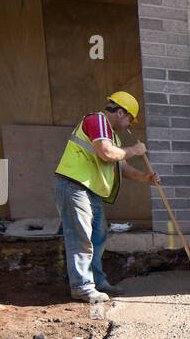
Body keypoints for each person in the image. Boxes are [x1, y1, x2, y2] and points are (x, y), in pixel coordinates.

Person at [54, 90, 158, 301]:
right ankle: (82, 286)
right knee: (81, 237)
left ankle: (97, 281)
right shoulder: (97, 120)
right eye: (130, 119)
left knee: (98, 237)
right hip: (75, 186)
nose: (129, 124)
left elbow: (123, 167)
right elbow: (107, 153)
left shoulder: (112, 136)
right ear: (121, 112)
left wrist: (145, 178)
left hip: (91, 192)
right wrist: (135, 150)